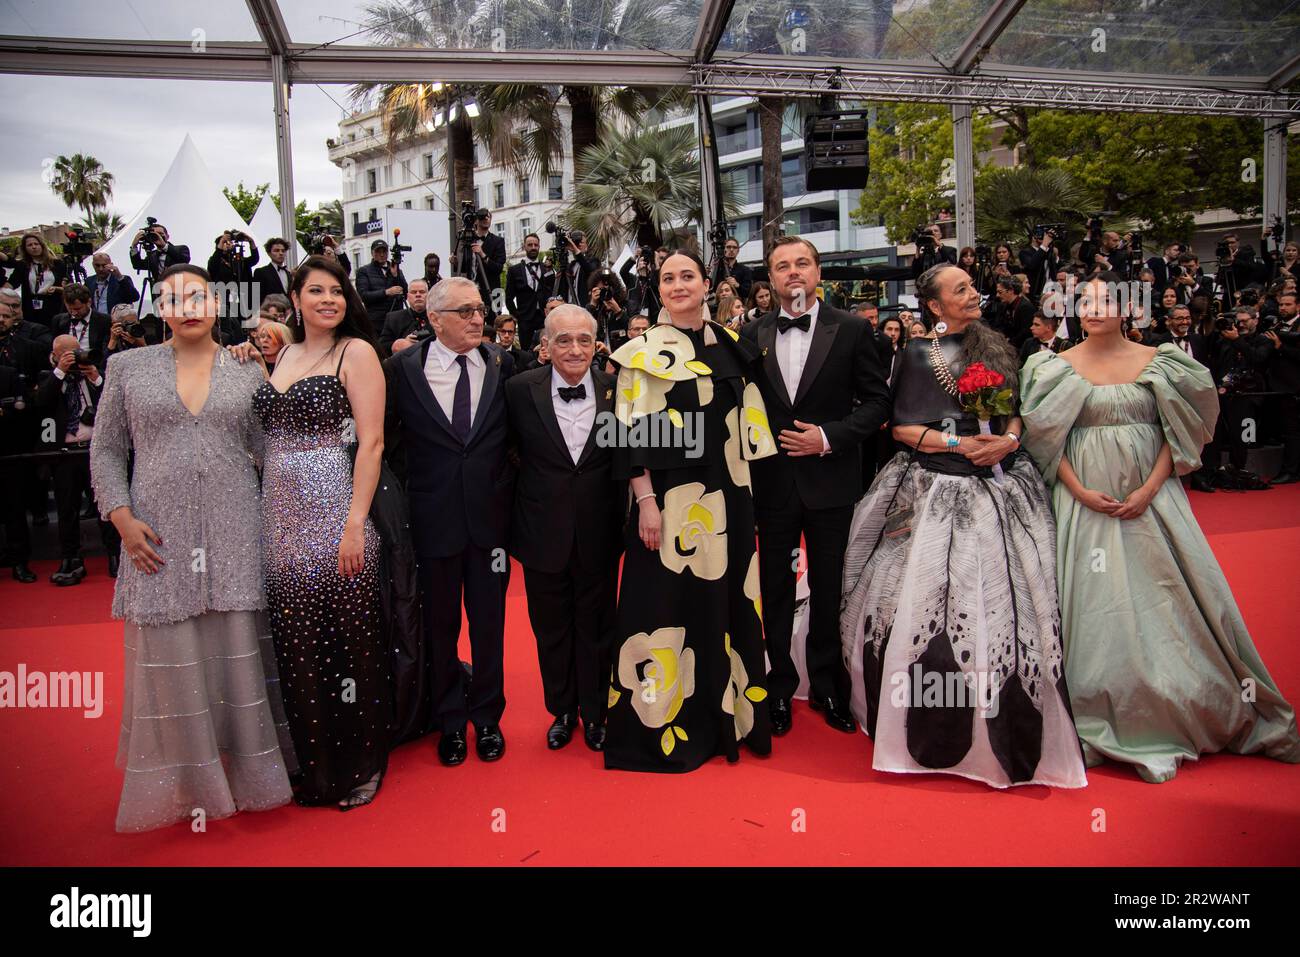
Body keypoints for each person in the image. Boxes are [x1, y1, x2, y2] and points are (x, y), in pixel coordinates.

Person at [1020, 275, 1300, 783]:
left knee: (1174, 598)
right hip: (1084, 504)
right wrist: (1080, 491)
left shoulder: (1163, 361)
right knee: (1093, 603)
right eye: (1084, 301)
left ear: (1127, 309)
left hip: (1155, 499)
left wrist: (1151, 488)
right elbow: (1044, 440)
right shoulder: (1052, 367)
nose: (1092, 308)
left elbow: (1179, 429)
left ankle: (1185, 700)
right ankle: (1103, 703)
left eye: (1104, 301)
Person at [839, 263, 1086, 788]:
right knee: (925, 604)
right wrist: (959, 444)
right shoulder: (912, 356)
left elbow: (1015, 414)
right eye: (961, 290)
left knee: (1011, 605)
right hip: (934, 489)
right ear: (934, 306)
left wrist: (1007, 441)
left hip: (1002, 485)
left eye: (973, 286)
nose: (974, 294)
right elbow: (904, 429)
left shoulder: (998, 347)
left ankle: (1011, 722)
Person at [89, 263, 294, 832]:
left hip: (235, 528)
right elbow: (106, 450)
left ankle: (248, 777)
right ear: (160, 306)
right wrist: (121, 517)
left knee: (236, 654)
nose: (187, 307)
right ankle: (188, 783)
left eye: (198, 296)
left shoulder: (245, 371)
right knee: (174, 657)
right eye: (174, 298)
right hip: (158, 536)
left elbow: (266, 451)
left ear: (216, 301)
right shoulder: (126, 368)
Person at [603, 250, 776, 772]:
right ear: (658, 290)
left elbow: (751, 435)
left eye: (687, 276)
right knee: (665, 610)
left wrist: (751, 507)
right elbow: (626, 437)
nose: (678, 285)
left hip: (731, 500)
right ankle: (665, 723)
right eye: (667, 278)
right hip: (669, 504)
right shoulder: (638, 353)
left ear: (707, 284)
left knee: (726, 607)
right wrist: (647, 504)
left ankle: (733, 717)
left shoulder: (734, 347)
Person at [250, 254, 389, 810]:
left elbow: (372, 443)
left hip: (337, 512)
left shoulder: (354, 353)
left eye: (337, 291)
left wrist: (355, 523)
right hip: (279, 519)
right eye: (316, 291)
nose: (328, 299)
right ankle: (316, 767)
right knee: (299, 649)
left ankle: (363, 765)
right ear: (296, 298)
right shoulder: (281, 354)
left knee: (352, 645)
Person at [741, 237, 891, 737]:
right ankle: (778, 687)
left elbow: (877, 404)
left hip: (832, 483)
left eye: (801, 263)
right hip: (773, 486)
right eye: (782, 266)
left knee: (830, 589)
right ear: (771, 278)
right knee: (776, 589)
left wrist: (827, 438)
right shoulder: (751, 334)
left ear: (818, 270)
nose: (793, 273)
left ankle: (829, 687)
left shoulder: (851, 329)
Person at [386, 276, 514, 766]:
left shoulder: (503, 364)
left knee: (489, 626)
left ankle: (487, 719)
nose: (477, 318)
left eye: (480, 309)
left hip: (490, 526)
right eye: (464, 311)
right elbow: (387, 440)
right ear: (434, 319)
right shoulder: (402, 369)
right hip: (431, 521)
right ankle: (450, 721)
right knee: (439, 627)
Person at [506, 305, 622, 751]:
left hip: (600, 526)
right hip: (541, 529)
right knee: (550, 628)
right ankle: (562, 710)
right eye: (563, 340)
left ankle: (596, 713)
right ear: (545, 346)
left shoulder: (618, 388)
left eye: (583, 341)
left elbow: (629, 455)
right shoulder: (518, 390)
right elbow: (508, 451)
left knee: (597, 626)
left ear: (596, 345)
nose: (574, 349)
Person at [34, 334, 121, 584]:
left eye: (77, 351)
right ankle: (70, 556)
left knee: (106, 506)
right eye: (68, 354)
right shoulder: (48, 377)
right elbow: (41, 402)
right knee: (67, 510)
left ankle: (114, 553)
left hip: (96, 450)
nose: (75, 357)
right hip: (64, 454)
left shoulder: (91, 374)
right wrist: (60, 370)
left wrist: (94, 375)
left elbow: (114, 399)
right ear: (56, 353)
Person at [504, 232, 554, 350]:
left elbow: (552, 291)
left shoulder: (546, 268)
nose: (533, 247)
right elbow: (508, 297)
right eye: (530, 244)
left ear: (539, 247)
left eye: (535, 245)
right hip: (525, 318)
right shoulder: (514, 270)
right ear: (524, 247)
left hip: (544, 317)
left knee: (547, 348)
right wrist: (517, 316)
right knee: (526, 350)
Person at [6, 233, 66, 329]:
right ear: (25, 249)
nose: (34, 247)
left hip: (53, 306)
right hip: (30, 308)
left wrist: (56, 288)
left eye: (36, 244)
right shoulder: (23, 265)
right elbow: (12, 283)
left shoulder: (58, 264)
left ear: (42, 245)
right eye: (30, 245)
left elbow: (67, 286)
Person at [50, 283, 110, 373]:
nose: (74, 313)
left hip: (93, 369)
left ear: (89, 302)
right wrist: (53, 356)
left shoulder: (104, 321)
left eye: (78, 309)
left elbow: (106, 352)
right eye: (70, 309)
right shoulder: (58, 320)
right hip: (66, 369)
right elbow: (53, 346)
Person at [355, 239, 407, 327]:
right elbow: (364, 296)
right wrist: (386, 292)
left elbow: (405, 293)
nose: (382, 254)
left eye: (384, 251)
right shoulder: (364, 271)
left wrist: (395, 276)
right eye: (378, 252)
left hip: (396, 320)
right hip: (376, 322)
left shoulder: (395, 268)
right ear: (372, 253)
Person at [378, 278, 431, 358]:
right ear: (407, 297)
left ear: (428, 295)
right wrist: (402, 343)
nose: (418, 295)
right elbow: (382, 347)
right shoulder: (393, 318)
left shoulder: (438, 317)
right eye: (413, 292)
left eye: (422, 292)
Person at [85, 253, 140, 320]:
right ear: (93, 265)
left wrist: (119, 277)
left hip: (116, 322)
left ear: (111, 265)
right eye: (97, 265)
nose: (101, 269)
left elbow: (135, 297)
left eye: (104, 265)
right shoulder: (89, 281)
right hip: (97, 322)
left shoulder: (121, 280)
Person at [251, 236, 294, 308]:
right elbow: (256, 299)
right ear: (269, 253)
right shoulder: (260, 272)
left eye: (283, 251)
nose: (281, 253)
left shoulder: (288, 274)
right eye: (276, 250)